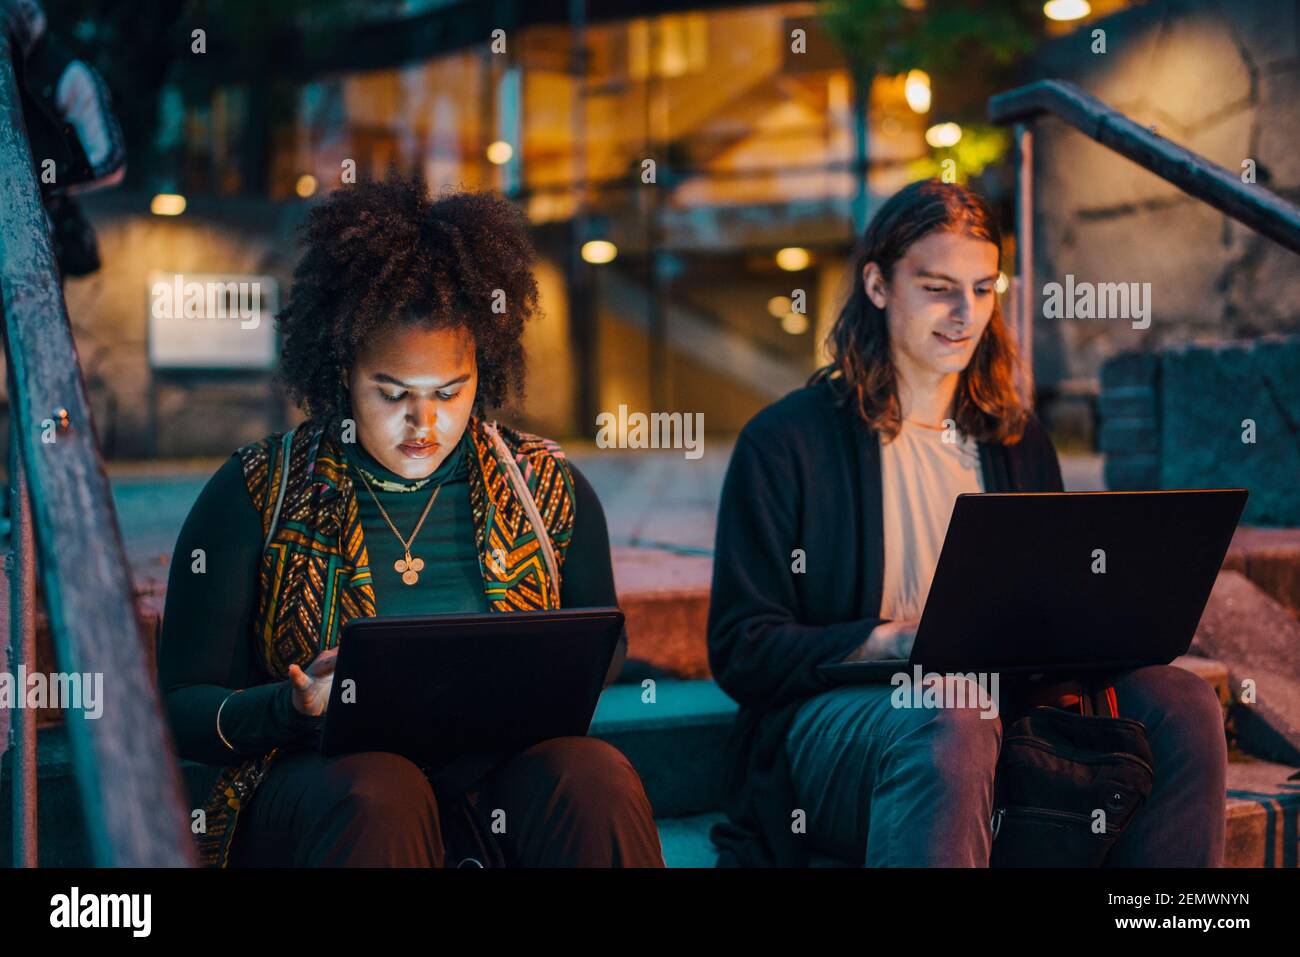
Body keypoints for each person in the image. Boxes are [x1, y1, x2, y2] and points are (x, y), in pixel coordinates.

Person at [706, 179, 1227, 867]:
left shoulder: (1015, 440)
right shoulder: (787, 443)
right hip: (847, 727)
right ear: (878, 284)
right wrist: (894, 643)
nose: (964, 313)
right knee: (949, 714)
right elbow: (744, 648)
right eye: (938, 287)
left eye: (983, 289)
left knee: (1183, 703)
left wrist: (1106, 618)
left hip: (1003, 713)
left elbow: (1058, 601)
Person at [158, 173, 663, 868]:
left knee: (595, 777)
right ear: (343, 370)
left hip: (491, 783)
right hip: (330, 793)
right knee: (382, 790)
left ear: (483, 370)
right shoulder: (256, 492)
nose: (423, 424)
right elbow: (182, 704)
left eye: (449, 393)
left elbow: (598, 649)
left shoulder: (549, 489)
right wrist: (289, 707)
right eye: (391, 392)